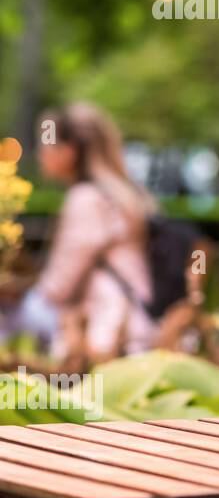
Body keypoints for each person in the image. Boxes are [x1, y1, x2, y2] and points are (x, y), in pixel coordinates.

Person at [16, 103, 156, 368]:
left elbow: (56, 288)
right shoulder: (119, 193)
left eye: (47, 142)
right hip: (135, 328)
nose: (40, 153)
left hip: (108, 335)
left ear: (69, 151)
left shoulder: (87, 199)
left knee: (13, 317)